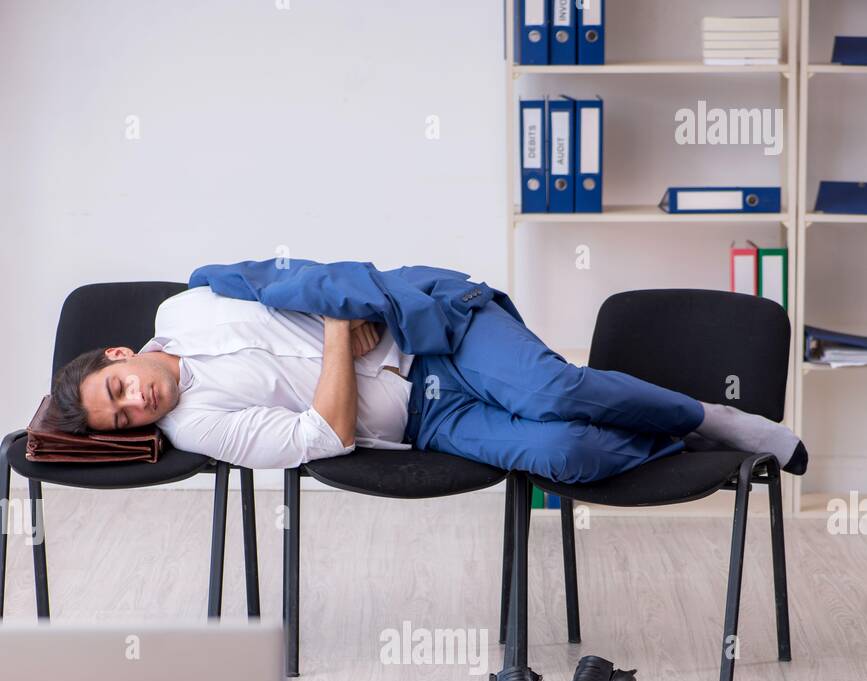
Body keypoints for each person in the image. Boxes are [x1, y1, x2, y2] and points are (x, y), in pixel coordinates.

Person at [45, 283, 807, 484]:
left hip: (441, 334)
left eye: (118, 391)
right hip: (425, 420)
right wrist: (339, 333)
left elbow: (308, 280)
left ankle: (713, 418)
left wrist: (343, 316)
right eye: (122, 424)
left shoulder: (189, 307)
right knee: (568, 456)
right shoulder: (195, 426)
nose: (134, 406)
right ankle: (682, 434)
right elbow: (327, 436)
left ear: (121, 354)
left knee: (548, 394)